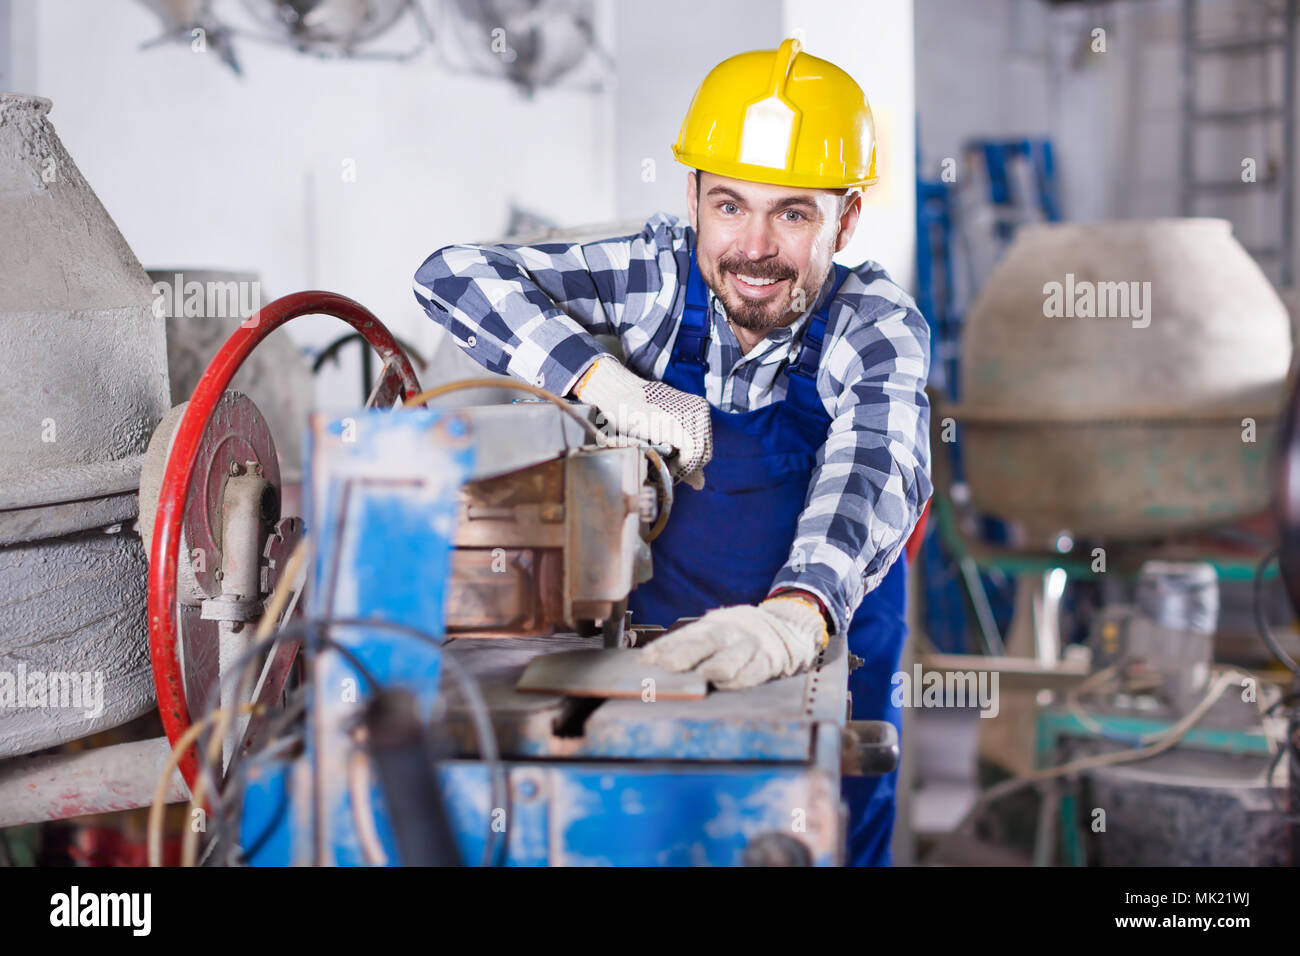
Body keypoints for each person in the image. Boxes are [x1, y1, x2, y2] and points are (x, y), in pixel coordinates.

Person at [414, 37, 932, 866]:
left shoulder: (874, 325)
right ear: (692, 197)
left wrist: (797, 614)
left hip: (827, 636)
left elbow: (876, 461)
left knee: (825, 820)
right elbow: (449, 275)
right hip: (665, 644)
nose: (754, 247)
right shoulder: (653, 278)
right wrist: (602, 382)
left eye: (793, 212)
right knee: (659, 826)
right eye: (729, 205)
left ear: (848, 216)